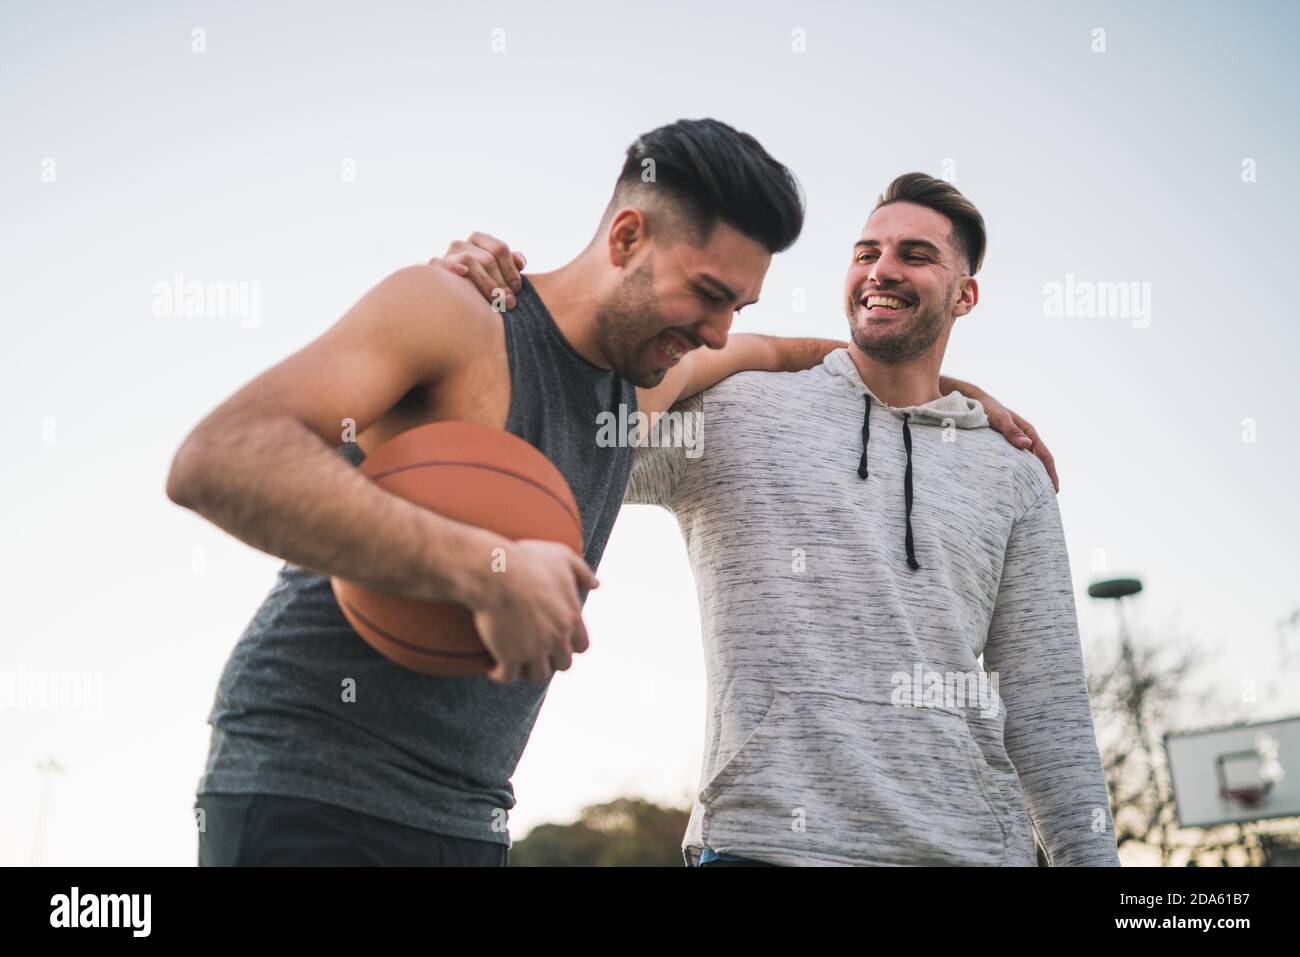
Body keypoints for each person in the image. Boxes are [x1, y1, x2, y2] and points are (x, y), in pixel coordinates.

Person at [170, 117, 1044, 866]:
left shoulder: (640, 391)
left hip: (468, 813)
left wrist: (950, 391)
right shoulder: (458, 313)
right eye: (708, 294)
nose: (718, 333)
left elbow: (786, 351)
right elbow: (219, 457)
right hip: (308, 781)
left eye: (736, 306)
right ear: (626, 238)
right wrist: (485, 568)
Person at [612, 173, 1117, 866]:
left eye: (916, 255)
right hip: (763, 842)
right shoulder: (736, 411)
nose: (882, 270)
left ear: (965, 295)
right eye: (865, 253)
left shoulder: (1012, 470)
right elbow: (584, 437)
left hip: (971, 851)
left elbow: (1046, 705)